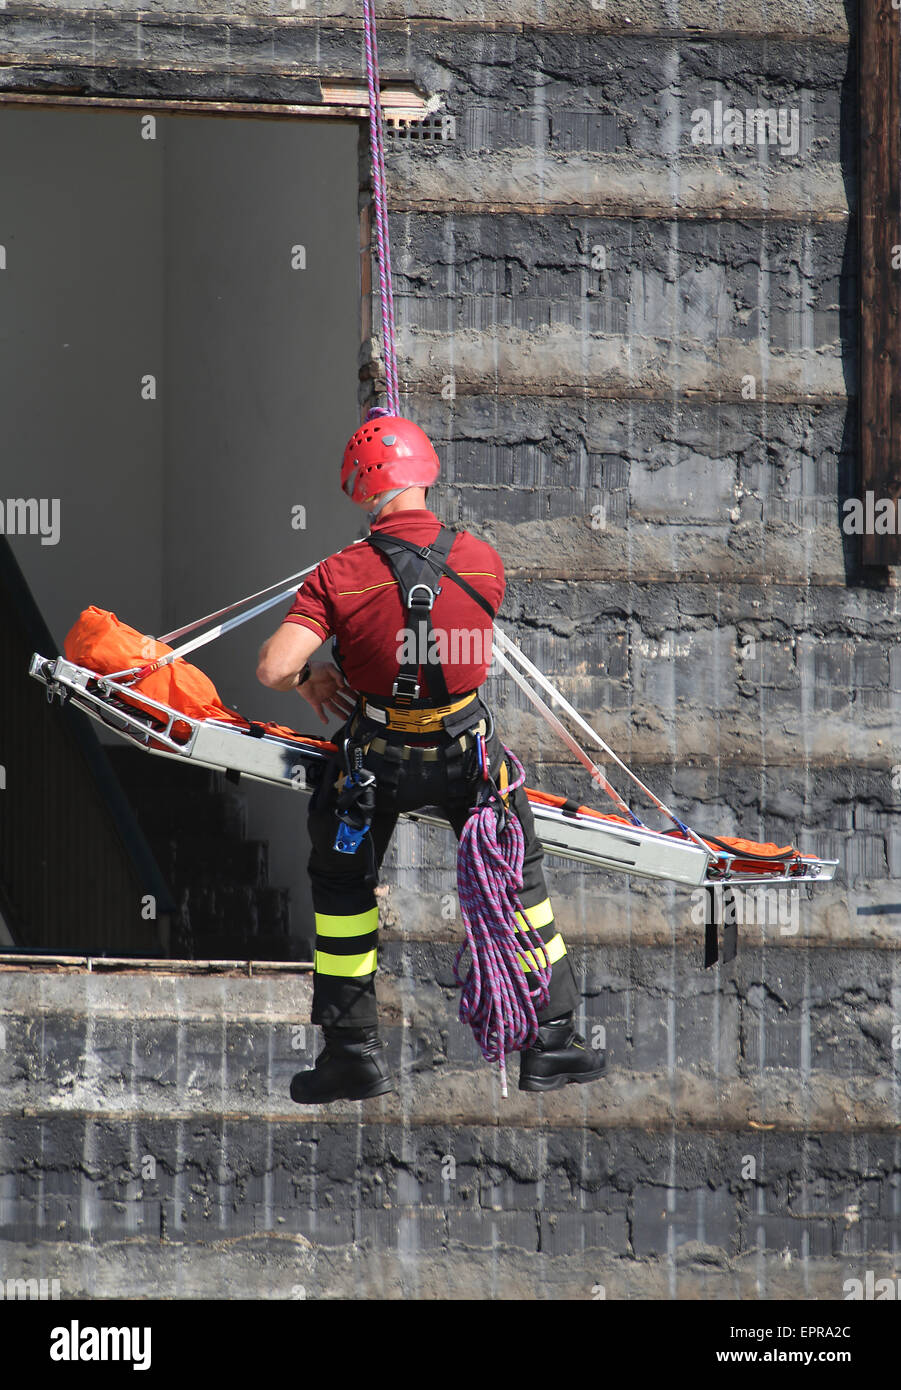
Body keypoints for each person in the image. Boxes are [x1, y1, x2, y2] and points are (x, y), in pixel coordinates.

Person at [257, 411, 606, 1103]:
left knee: (343, 891)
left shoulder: (339, 573)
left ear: (361, 487)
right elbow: (457, 644)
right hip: (467, 754)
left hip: (374, 759)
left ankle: (351, 1053)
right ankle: (551, 1040)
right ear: (426, 473)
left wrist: (310, 679)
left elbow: (273, 667)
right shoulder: (482, 559)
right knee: (519, 886)